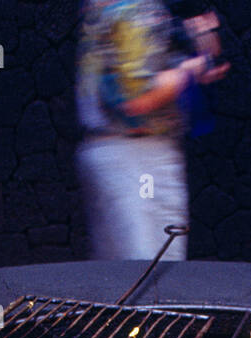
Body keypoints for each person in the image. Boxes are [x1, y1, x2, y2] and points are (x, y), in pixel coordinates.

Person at [75, 0, 227, 261]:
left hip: (115, 156)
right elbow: (137, 101)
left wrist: (198, 50)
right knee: (151, 276)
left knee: (121, 281)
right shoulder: (134, 11)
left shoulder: (111, 12)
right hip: (137, 160)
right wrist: (188, 72)